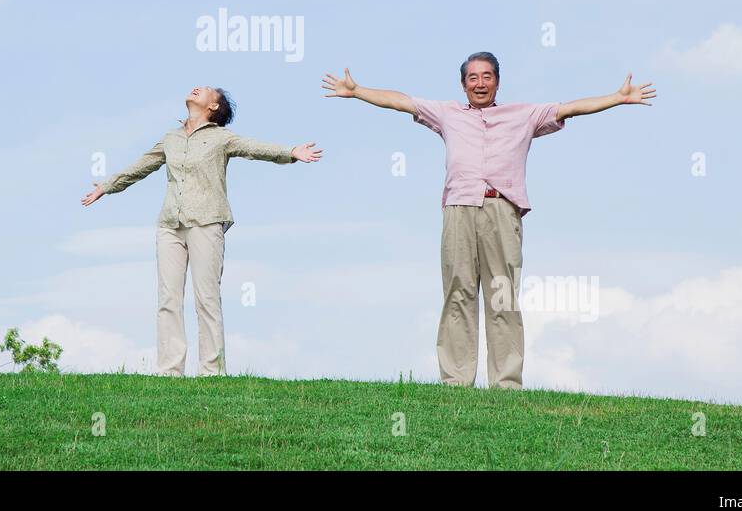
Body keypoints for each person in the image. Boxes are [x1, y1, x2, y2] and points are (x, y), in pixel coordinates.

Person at [322, 53, 655, 389]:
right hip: (459, 209)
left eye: (486, 77)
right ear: (463, 85)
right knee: (458, 291)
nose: (480, 84)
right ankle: (455, 379)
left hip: (501, 209)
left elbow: (568, 108)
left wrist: (617, 98)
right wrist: (358, 90)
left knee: (502, 294)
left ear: (497, 81)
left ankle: (506, 382)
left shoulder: (523, 115)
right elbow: (402, 102)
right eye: (472, 78)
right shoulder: (447, 114)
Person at [82, 85, 322, 376]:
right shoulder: (170, 139)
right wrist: (107, 186)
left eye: (206, 91)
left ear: (214, 107)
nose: (197, 89)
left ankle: (212, 371)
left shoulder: (222, 139)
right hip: (170, 224)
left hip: (207, 222)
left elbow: (254, 148)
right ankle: (170, 371)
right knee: (168, 299)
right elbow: (142, 166)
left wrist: (291, 152)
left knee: (206, 298)